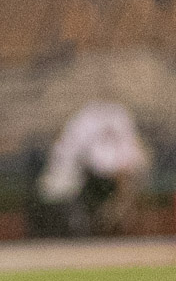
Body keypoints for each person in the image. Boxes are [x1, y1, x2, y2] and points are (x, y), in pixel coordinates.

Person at [29, 100, 153, 237]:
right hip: (74, 183)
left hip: (98, 181)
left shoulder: (116, 132)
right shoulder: (81, 132)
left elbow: (130, 162)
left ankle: (111, 219)